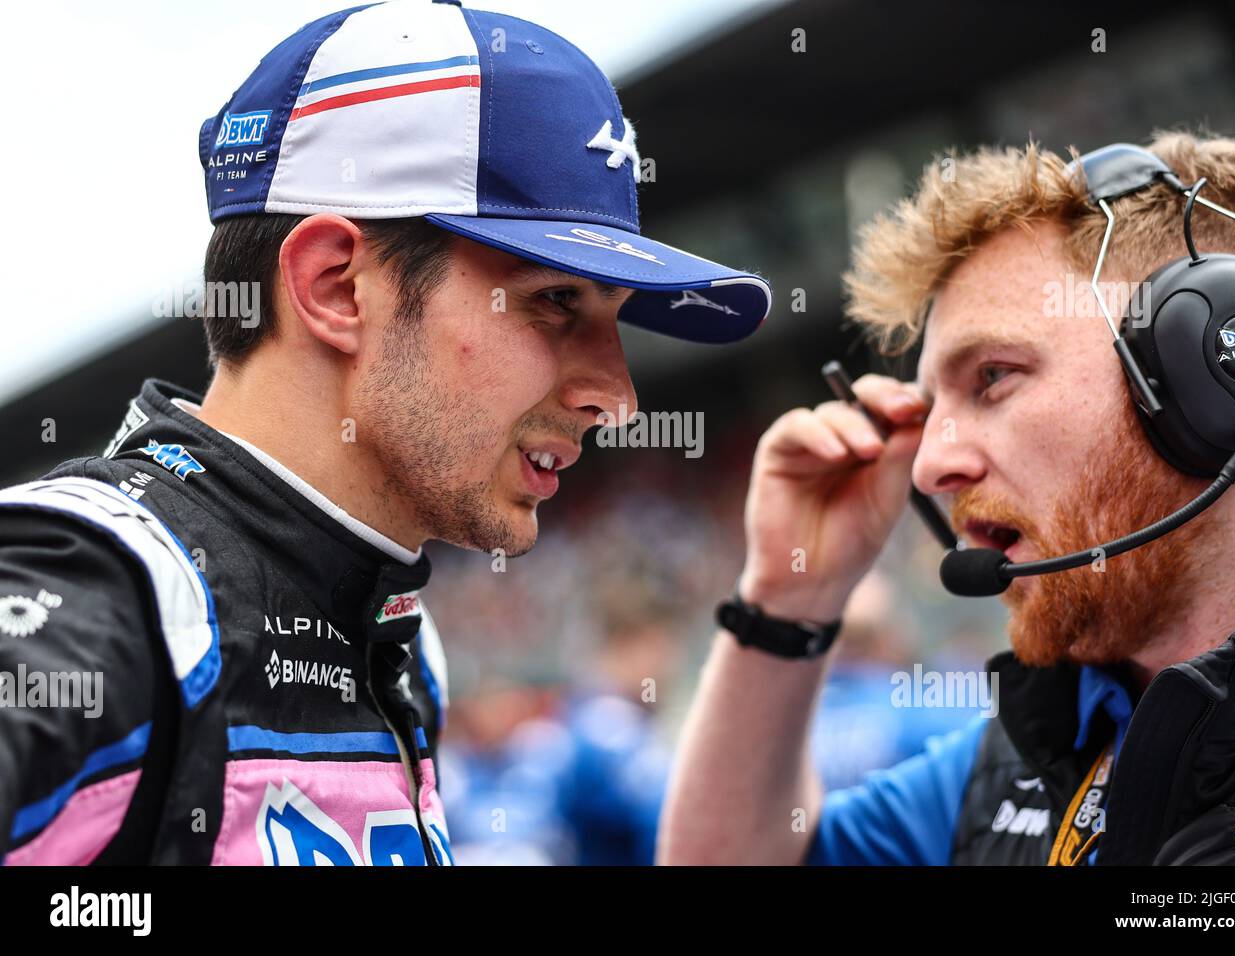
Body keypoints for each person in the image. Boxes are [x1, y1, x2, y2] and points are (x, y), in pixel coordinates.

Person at [0, 0, 770, 866]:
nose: (617, 394)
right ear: (335, 288)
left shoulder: (402, 639)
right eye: (557, 301)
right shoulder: (97, 600)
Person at [660, 132, 1235, 866]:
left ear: (1214, 370)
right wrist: (786, 599)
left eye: (992, 377)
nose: (929, 465)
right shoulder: (1014, 761)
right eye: (927, 408)